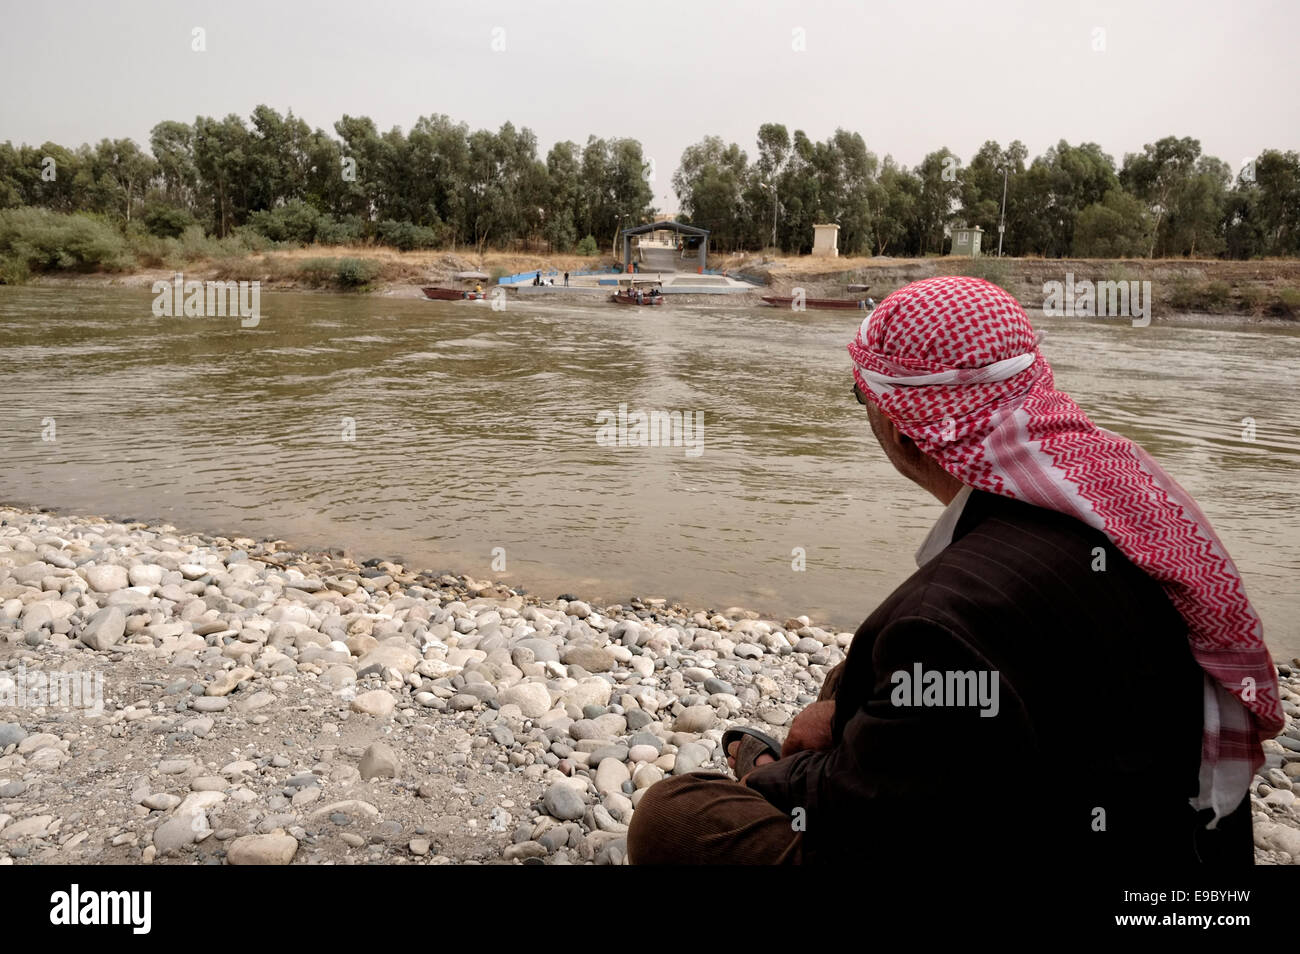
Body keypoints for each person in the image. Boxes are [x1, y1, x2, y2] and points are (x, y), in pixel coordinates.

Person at [627, 276, 1283, 866]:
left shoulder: (946, 620)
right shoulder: (1128, 504)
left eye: (863, 397)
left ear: (904, 427)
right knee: (851, 674)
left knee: (675, 817)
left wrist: (772, 776)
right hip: (1158, 818)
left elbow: (860, 798)